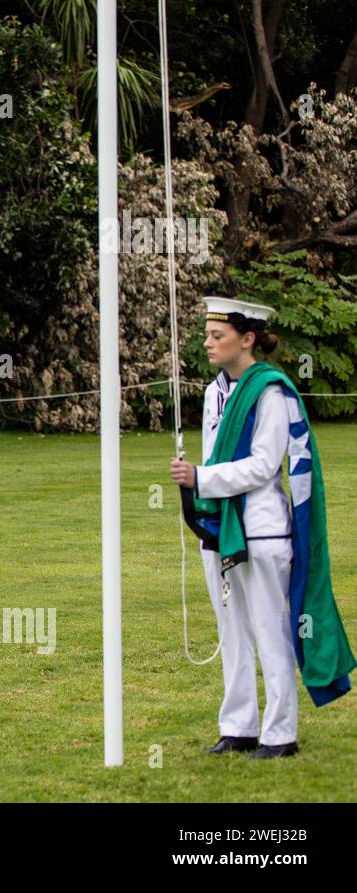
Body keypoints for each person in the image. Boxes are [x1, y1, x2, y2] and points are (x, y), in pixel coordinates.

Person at [170, 297, 354, 760]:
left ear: (247, 339)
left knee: (271, 632)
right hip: (219, 527)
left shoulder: (271, 391)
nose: (207, 344)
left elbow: (263, 465)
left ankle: (280, 733)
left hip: (262, 531)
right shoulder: (215, 391)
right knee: (231, 631)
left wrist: (202, 479)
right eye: (207, 335)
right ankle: (238, 726)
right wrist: (204, 487)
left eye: (218, 336)